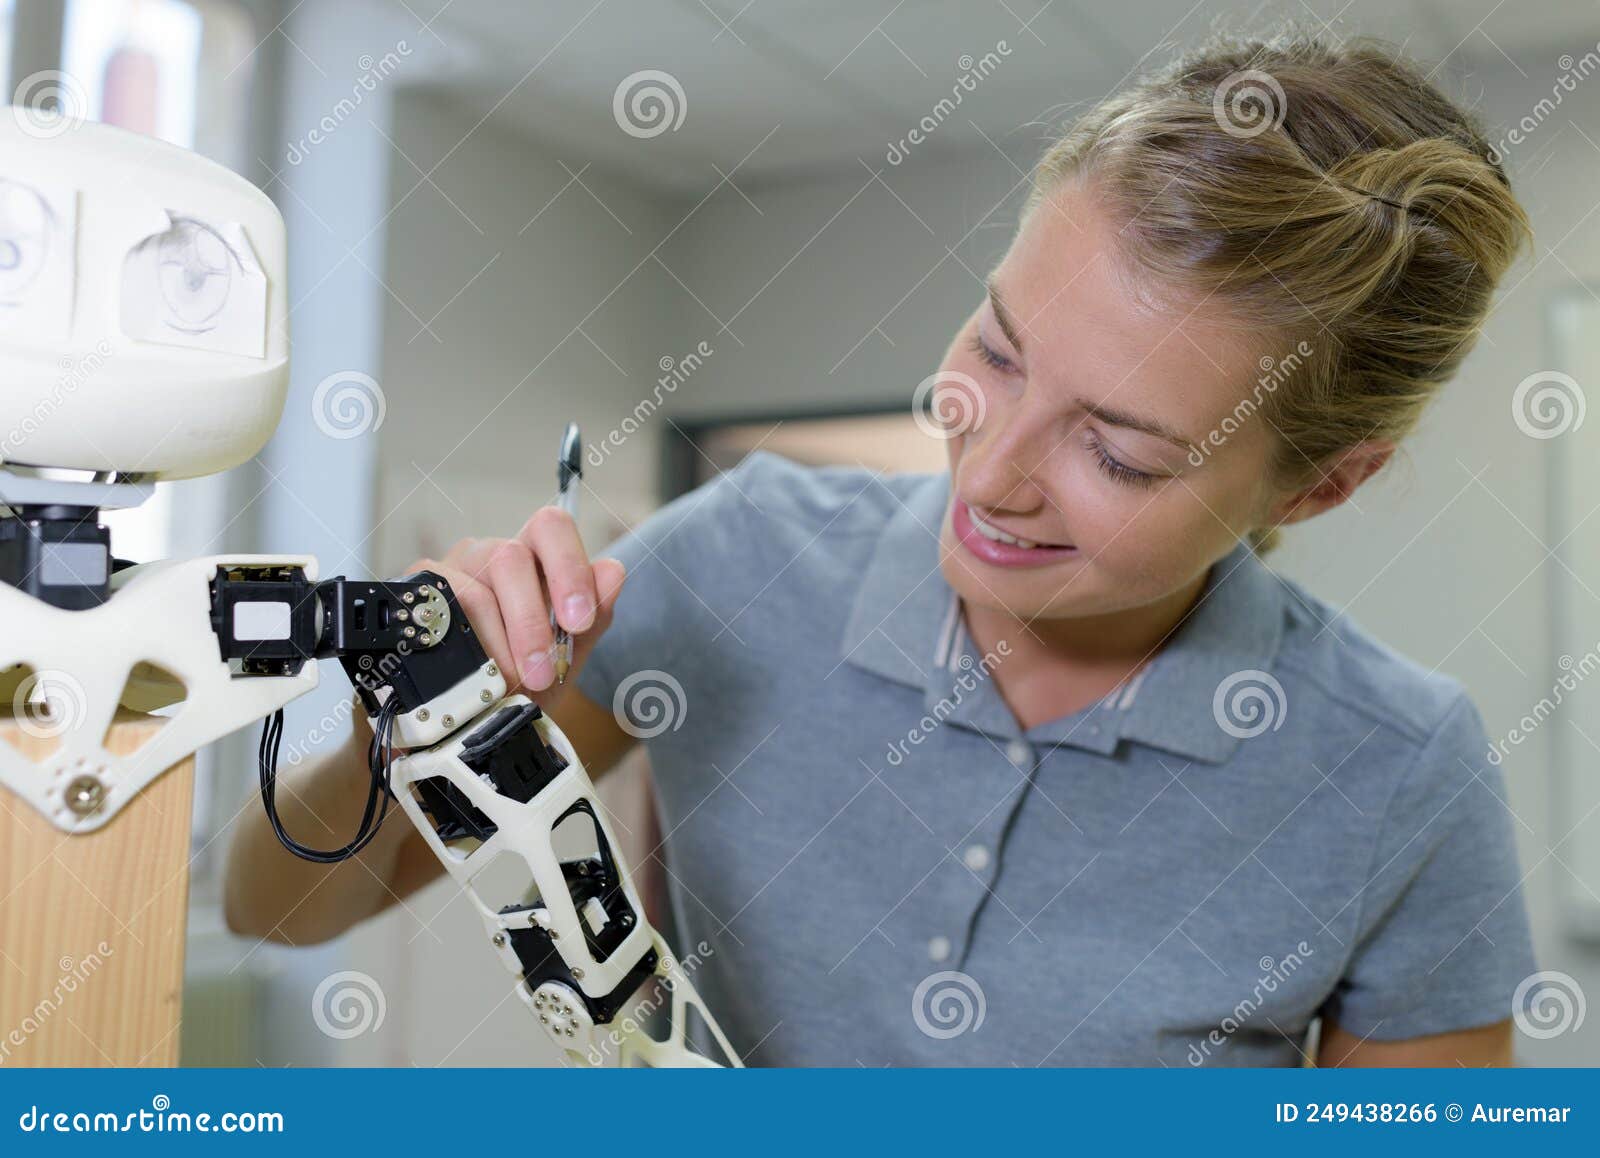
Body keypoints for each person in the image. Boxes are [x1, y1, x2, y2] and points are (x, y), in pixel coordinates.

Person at [225, 30, 1539, 1066]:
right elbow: (277, 908)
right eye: (998, 350)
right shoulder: (739, 560)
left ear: (1319, 486)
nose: (995, 468)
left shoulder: (1398, 772)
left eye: (1122, 453)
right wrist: (409, 710)